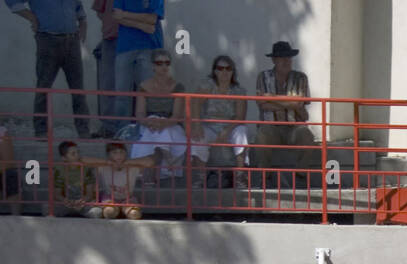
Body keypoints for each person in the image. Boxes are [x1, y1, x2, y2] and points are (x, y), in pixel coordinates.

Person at [8, 0, 95, 139]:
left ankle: (84, 131)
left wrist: (83, 26)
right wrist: (31, 17)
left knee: (78, 90)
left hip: (72, 41)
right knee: (44, 88)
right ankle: (41, 131)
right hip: (48, 40)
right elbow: (12, 2)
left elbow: (79, 10)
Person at [129, 49, 207, 183]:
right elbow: (140, 113)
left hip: (171, 125)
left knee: (161, 133)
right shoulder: (143, 86)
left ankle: (149, 174)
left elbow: (176, 115)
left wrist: (162, 123)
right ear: (153, 65)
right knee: (154, 133)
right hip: (150, 124)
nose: (163, 67)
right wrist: (150, 122)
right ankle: (166, 159)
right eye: (159, 63)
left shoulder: (177, 86)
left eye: (166, 63)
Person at [253, 40, 317, 177]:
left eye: (288, 57)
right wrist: (290, 102)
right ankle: (265, 175)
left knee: (306, 135)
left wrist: (271, 97)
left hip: (294, 126)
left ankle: (301, 174)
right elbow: (262, 103)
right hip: (271, 126)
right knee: (261, 136)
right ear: (274, 60)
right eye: (282, 57)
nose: (286, 61)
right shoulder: (263, 77)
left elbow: (300, 103)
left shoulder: (300, 77)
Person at [196, 55, 250, 188]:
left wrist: (226, 130)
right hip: (209, 125)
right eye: (220, 68)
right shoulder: (207, 86)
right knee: (197, 137)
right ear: (215, 71)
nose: (224, 72)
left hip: (231, 127)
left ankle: (240, 177)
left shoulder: (239, 91)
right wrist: (196, 124)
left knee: (241, 132)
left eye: (228, 68)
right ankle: (200, 177)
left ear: (233, 71)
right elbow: (194, 104)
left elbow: (240, 117)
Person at [111, 0, 163, 121]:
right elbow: (116, 16)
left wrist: (124, 14)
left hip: (148, 47)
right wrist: (142, 25)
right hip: (125, 47)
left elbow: (152, 19)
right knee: (121, 94)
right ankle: (122, 132)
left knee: (147, 93)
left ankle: (146, 131)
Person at [92, 139, 151, 218]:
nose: (119, 155)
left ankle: (125, 211)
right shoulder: (103, 167)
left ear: (126, 154)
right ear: (108, 154)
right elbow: (82, 160)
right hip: (110, 198)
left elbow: (150, 161)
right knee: (109, 213)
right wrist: (107, 162)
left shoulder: (132, 167)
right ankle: (116, 212)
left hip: (127, 199)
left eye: (121, 152)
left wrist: (129, 162)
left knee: (135, 214)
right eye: (114, 152)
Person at [53, 140, 101, 216]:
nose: (78, 156)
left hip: (83, 203)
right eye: (73, 154)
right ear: (64, 158)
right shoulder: (59, 170)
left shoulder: (86, 169)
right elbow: (57, 194)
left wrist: (82, 201)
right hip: (67, 203)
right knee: (47, 208)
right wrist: (65, 201)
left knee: (97, 212)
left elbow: (89, 193)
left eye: (78, 152)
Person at [91, 0, 118, 128]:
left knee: (135, 85)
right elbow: (99, 10)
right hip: (111, 39)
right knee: (108, 84)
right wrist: (110, 23)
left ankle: (132, 125)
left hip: (137, 40)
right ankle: (109, 127)